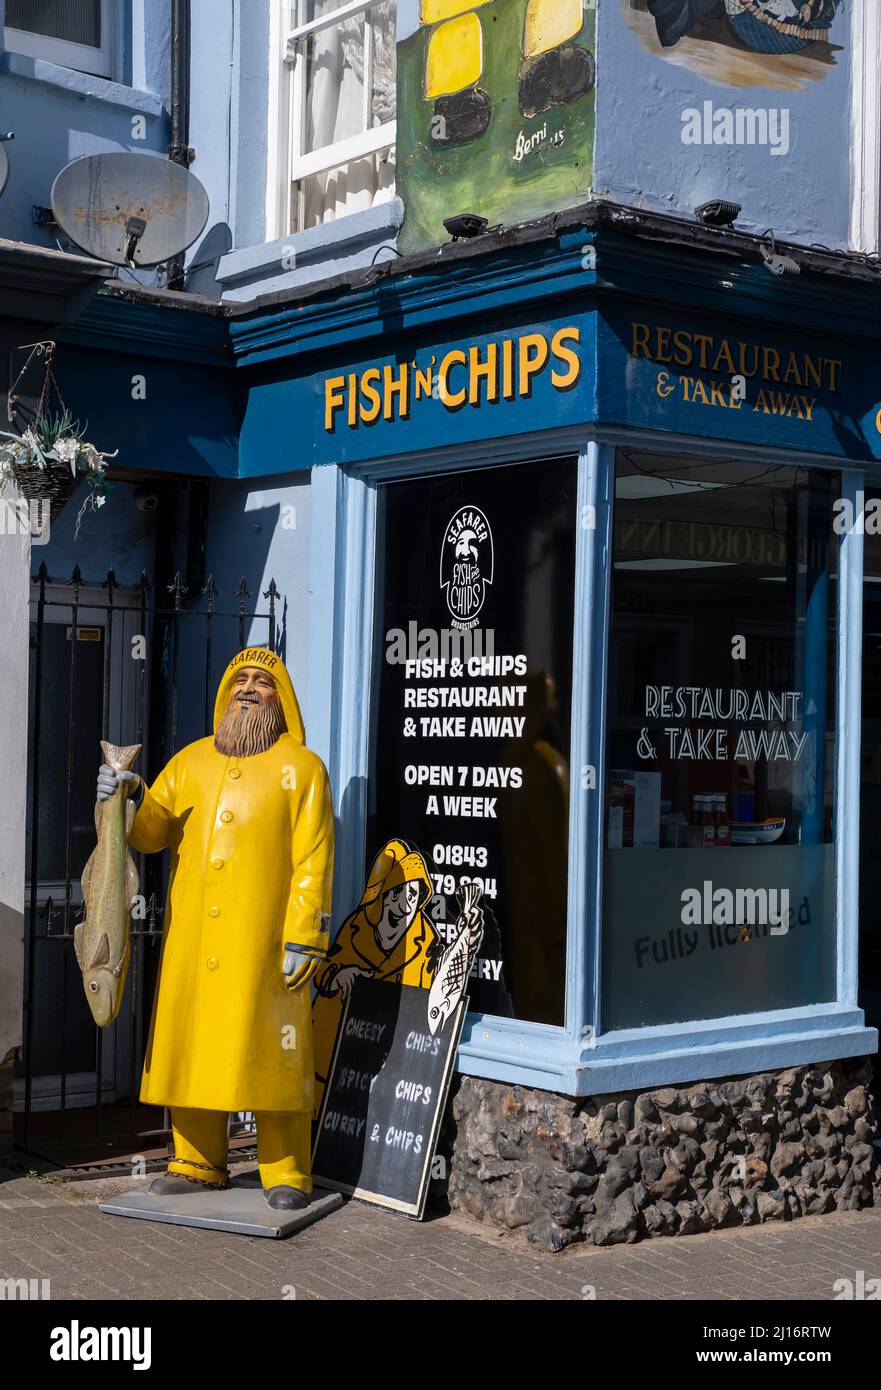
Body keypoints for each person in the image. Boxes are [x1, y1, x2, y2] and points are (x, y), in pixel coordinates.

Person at [96, 647, 334, 1211]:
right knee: (195, 1045)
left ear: (282, 698)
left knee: (274, 1050)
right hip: (194, 941)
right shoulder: (189, 762)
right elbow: (149, 832)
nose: (249, 688)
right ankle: (197, 1161)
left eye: (263, 681)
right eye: (240, 679)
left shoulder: (302, 769)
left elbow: (314, 859)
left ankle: (286, 1170)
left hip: (266, 942)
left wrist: (306, 933)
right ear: (226, 693)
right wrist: (120, 797)